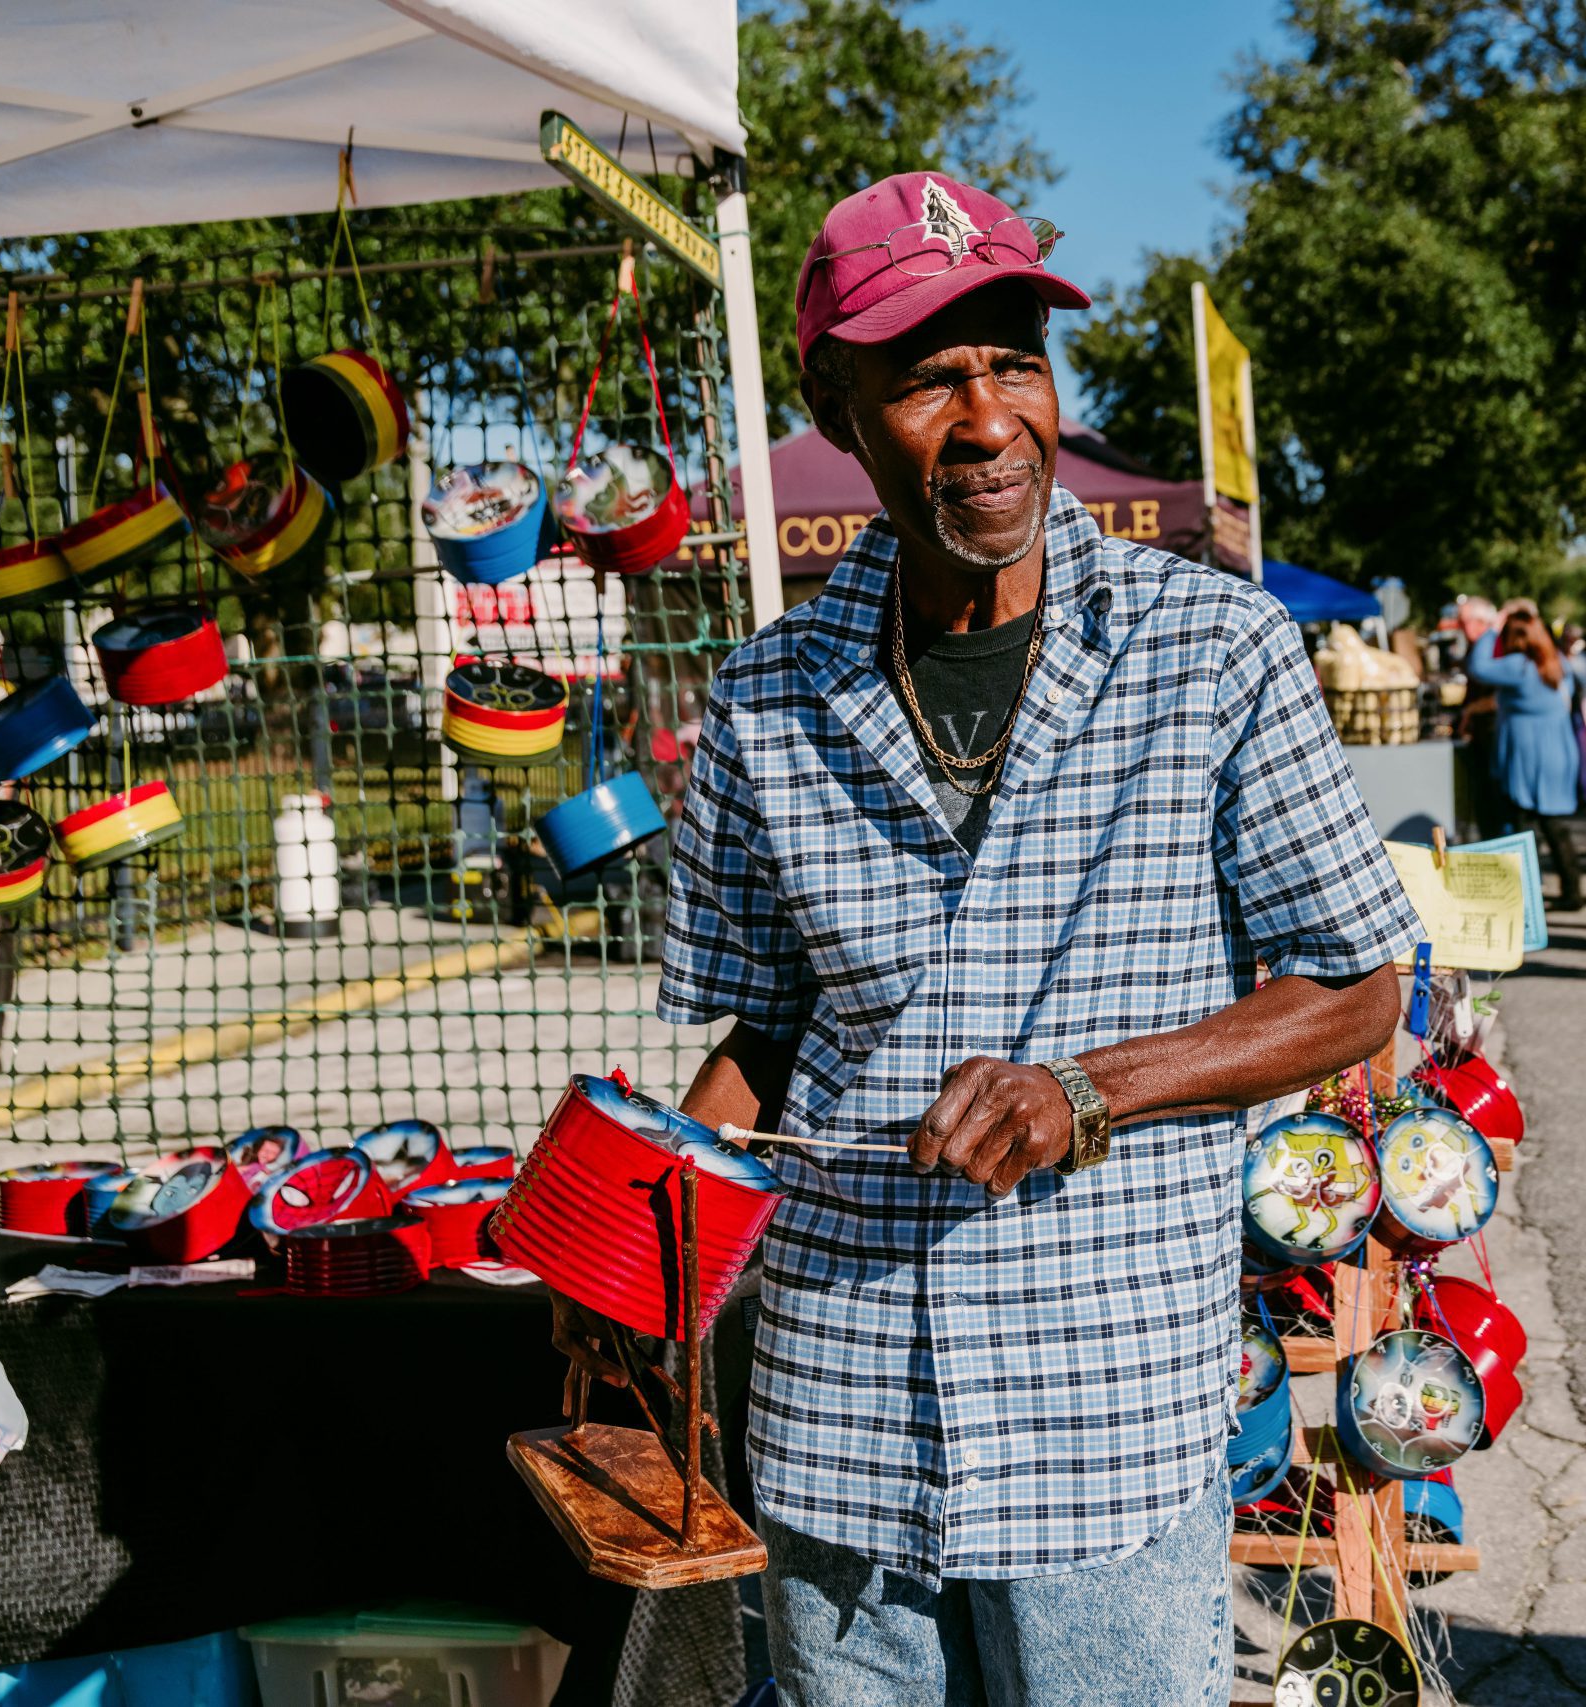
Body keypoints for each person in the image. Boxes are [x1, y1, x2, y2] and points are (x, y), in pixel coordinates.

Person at [603, 170, 1424, 1707]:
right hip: (838, 1412)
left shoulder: (1216, 651)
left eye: (1012, 360)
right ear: (833, 405)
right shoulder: (766, 698)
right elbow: (763, 1040)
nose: (987, 419)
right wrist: (644, 1230)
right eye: (926, 376)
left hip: (1100, 1408)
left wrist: (1086, 1090)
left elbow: (1357, 988)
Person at [1468, 598, 1586, 911]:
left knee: (1522, 827)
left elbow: (1478, 666)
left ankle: (1526, 895)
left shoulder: (1518, 666)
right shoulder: (1556, 663)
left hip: (1528, 757)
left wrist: (1492, 629)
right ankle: (1572, 890)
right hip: (1559, 753)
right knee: (1555, 825)